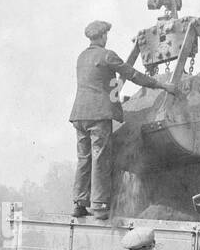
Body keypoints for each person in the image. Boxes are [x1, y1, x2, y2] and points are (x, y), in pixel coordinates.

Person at [70, 20, 172, 220]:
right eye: (106, 34)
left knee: (84, 159)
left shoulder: (82, 57)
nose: (107, 37)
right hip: (98, 115)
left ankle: (79, 203)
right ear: (101, 36)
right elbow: (132, 74)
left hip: (79, 115)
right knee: (100, 157)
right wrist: (161, 86)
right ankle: (99, 205)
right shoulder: (107, 55)